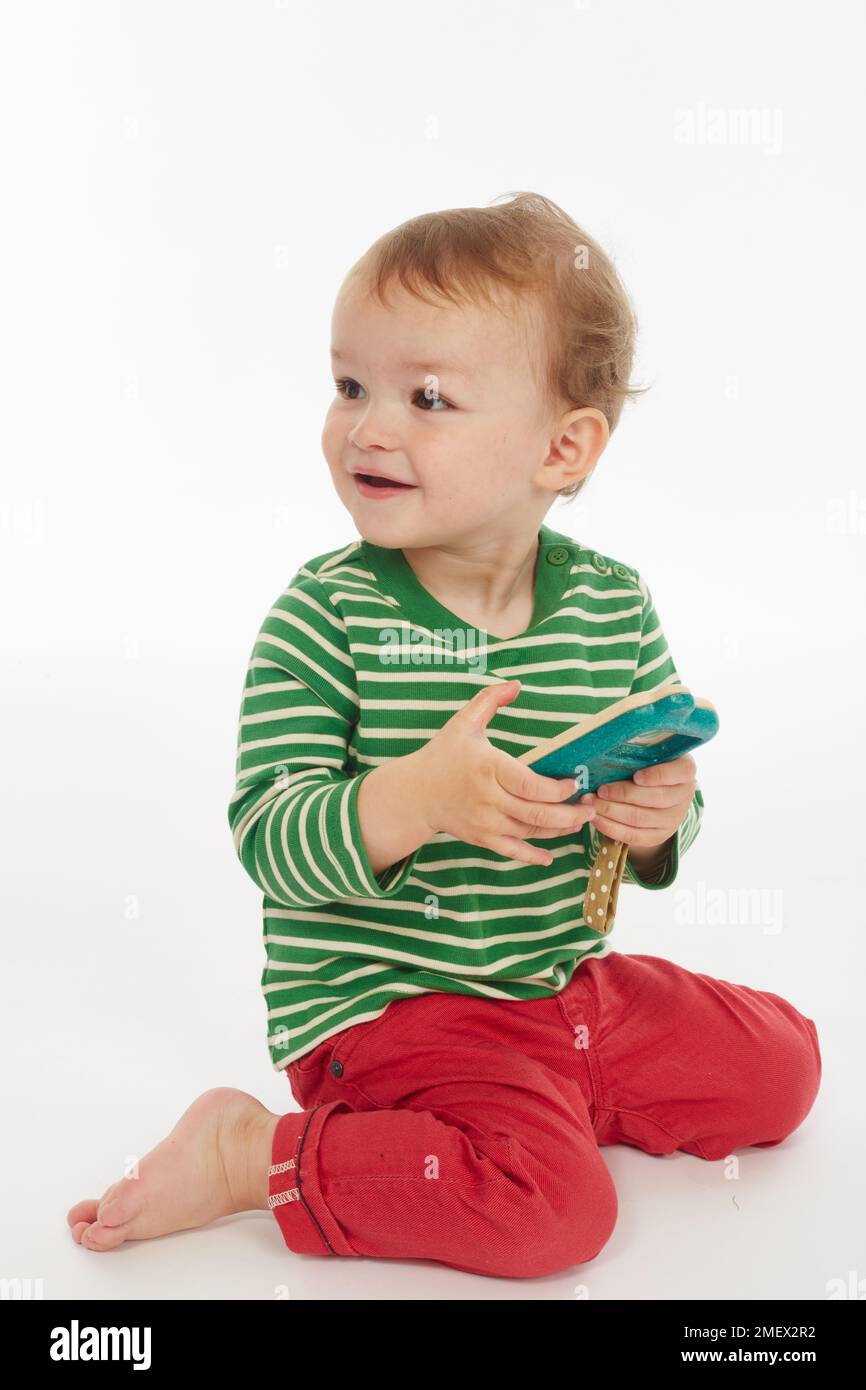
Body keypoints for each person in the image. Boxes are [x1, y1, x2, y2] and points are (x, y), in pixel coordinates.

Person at [67, 193, 821, 1278]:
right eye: (348, 385)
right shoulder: (323, 614)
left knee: (783, 1068)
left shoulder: (609, 605)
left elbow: (662, 796)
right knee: (557, 1215)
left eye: (426, 397)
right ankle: (253, 1156)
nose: (368, 425)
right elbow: (268, 837)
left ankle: (552, 1095)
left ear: (561, 448)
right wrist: (412, 799)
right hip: (394, 1013)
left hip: (557, 984)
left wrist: (657, 821)